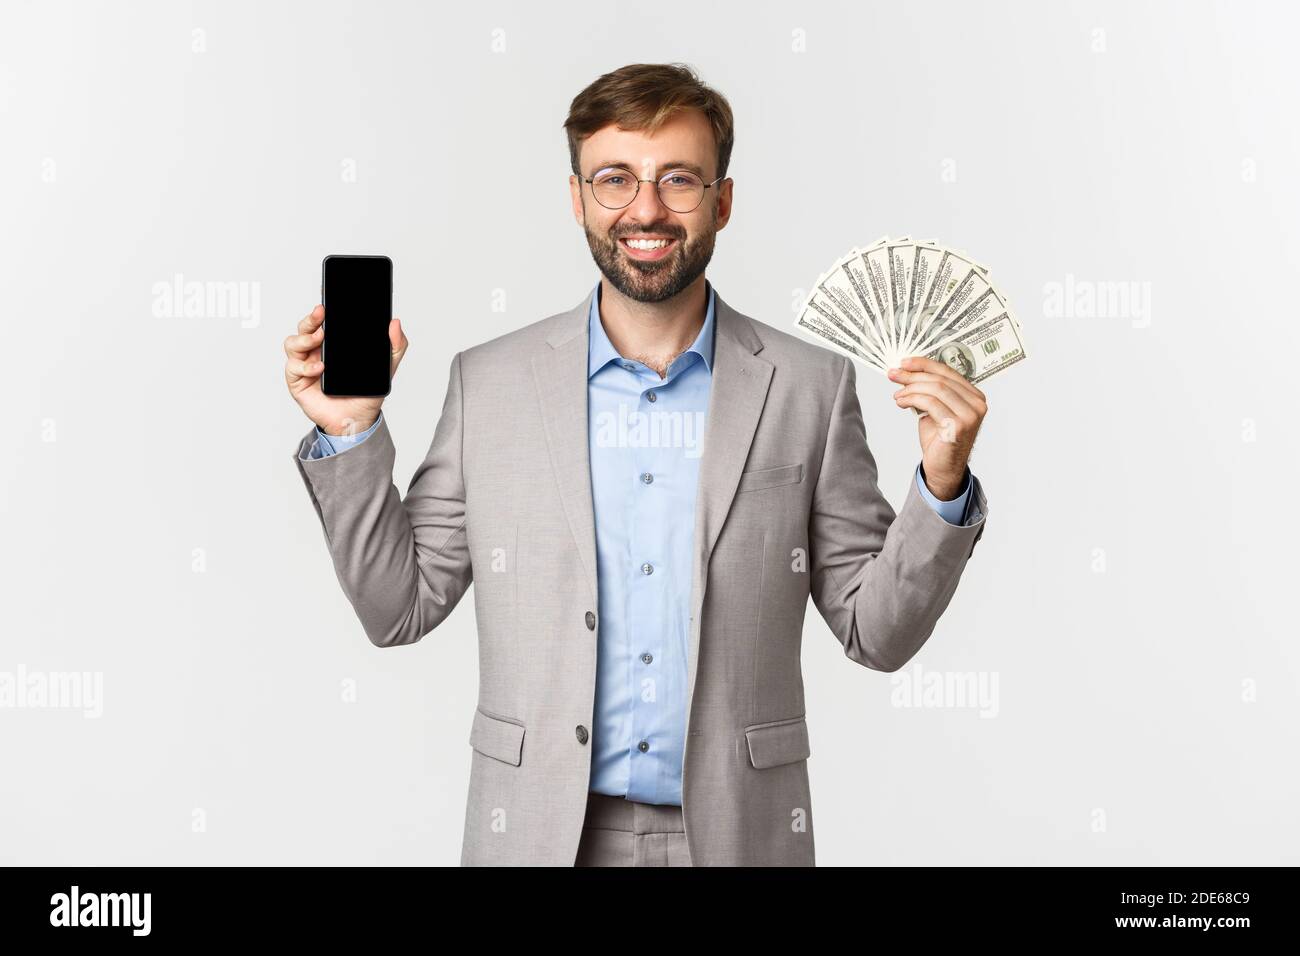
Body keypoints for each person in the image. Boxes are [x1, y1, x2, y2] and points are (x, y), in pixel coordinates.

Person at [284, 62, 989, 866]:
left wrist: (940, 484)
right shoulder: (489, 385)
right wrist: (351, 434)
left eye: (678, 180)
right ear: (577, 198)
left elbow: (877, 633)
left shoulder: (810, 388)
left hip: (738, 836)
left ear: (722, 201)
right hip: (542, 836)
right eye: (614, 179)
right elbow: (397, 609)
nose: (645, 209)